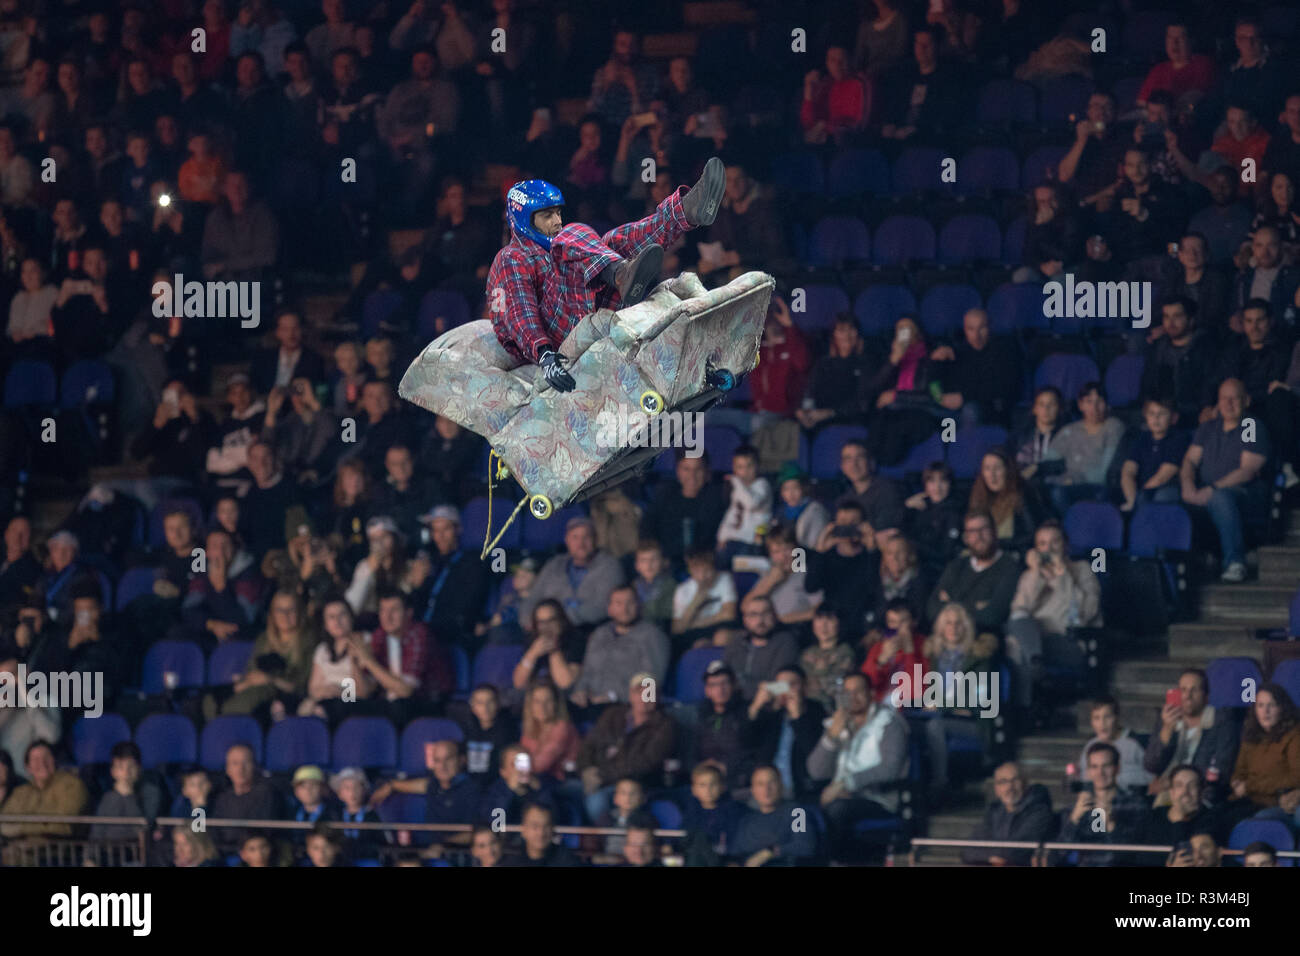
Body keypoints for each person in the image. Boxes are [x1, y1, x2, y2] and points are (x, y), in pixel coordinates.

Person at [486, 160, 725, 379]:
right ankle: (622, 274)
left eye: (558, 213)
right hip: (554, 340)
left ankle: (685, 211)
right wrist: (544, 355)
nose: (557, 221)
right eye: (547, 216)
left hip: (587, 312)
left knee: (612, 242)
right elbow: (518, 314)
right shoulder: (511, 258)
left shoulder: (555, 249)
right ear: (524, 220)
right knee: (571, 234)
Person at [807, 673, 908, 862]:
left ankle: (834, 863)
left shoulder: (889, 722)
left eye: (858, 691)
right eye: (847, 693)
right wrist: (831, 737)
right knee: (800, 812)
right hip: (838, 797)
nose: (852, 697)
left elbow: (891, 768)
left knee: (837, 810)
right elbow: (816, 771)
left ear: (871, 693)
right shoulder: (837, 724)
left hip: (878, 799)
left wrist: (846, 784)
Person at [1180, 378, 1270, 582]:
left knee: (1220, 498)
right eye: (1224, 399)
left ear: (1246, 401)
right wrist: (1187, 487)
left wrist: (1212, 489)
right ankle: (1182, 565)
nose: (1228, 404)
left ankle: (1235, 562)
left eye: (1234, 398)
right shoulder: (1208, 428)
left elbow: (1248, 470)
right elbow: (1190, 461)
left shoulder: (1249, 425)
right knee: (1167, 496)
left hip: (1244, 494)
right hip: (1207, 491)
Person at [577, 672, 675, 821]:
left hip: (635, 783)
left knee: (596, 803)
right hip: (596, 777)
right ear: (631, 695)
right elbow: (588, 745)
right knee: (562, 790)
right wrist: (586, 770)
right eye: (639, 692)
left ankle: (609, 842)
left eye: (649, 693)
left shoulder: (665, 725)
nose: (644, 697)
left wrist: (602, 776)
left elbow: (645, 763)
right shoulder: (612, 715)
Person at [570, 586, 669, 708]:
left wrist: (613, 697)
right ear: (609, 608)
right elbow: (587, 671)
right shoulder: (599, 634)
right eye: (618, 603)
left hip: (626, 707)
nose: (624, 609)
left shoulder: (652, 636)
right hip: (590, 703)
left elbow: (652, 681)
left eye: (630, 603)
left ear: (639, 605)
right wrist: (580, 691)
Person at [1052, 742, 1147, 867]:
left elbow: (1133, 856)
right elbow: (1057, 856)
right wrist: (1074, 818)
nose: (1100, 773)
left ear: (1117, 768)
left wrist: (1111, 823)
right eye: (1094, 767)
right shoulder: (1077, 807)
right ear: (1088, 772)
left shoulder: (1136, 805)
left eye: (1106, 766)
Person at [925, 511, 1020, 634]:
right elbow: (932, 610)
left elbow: (992, 616)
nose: (978, 536)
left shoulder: (1009, 567)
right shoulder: (957, 565)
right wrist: (975, 605)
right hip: (948, 641)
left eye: (983, 529)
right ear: (966, 538)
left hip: (985, 641)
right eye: (972, 532)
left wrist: (952, 604)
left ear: (994, 532)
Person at [521, 517, 625, 630]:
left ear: (596, 540)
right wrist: (529, 619)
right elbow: (533, 598)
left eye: (586, 537)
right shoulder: (555, 564)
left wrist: (561, 621)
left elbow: (604, 606)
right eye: (575, 537)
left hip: (590, 631)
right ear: (567, 540)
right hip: (547, 629)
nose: (581, 543)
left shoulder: (609, 565)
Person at [1042, 382, 1126, 516]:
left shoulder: (1113, 427)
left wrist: (1072, 480)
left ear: (1106, 404)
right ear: (1081, 405)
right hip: (1067, 483)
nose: (1094, 407)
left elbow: (1105, 472)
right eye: (1089, 402)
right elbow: (1047, 464)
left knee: (1059, 493)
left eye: (1100, 401)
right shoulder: (1069, 430)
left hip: (1098, 486)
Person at [747, 664, 827, 803]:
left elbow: (815, 754)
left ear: (804, 687)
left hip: (802, 789)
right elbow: (745, 741)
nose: (786, 690)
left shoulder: (816, 711)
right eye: (781, 685)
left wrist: (797, 717)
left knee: (799, 821)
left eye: (792, 684)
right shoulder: (770, 712)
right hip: (767, 790)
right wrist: (756, 706)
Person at [930, 308, 1022, 427]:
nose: (976, 335)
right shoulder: (958, 351)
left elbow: (1003, 387)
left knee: (970, 411)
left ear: (990, 327)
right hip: (955, 407)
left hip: (991, 408)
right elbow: (933, 380)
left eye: (982, 328)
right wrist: (935, 361)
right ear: (965, 330)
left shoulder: (1006, 349)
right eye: (971, 329)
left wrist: (964, 397)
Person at [641, 451, 727, 568]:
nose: (692, 475)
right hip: (665, 565)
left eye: (698, 469)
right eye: (686, 469)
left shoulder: (718, 499)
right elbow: (647, 530)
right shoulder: (664, 495)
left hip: (706, 566)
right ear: (677, 471)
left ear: (707, 472)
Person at [960, 762, 1054, 866]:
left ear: (1025, 783)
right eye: (1003, 781)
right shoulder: (994, 812)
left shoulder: (1039, 812)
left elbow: (1015, 852)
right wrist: (991, 857)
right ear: (996, 789)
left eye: (1015, 780)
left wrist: (989, 854)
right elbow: (967, 850)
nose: (1010, 787)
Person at [1229, 683, 1300, 816]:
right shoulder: (1250, 735)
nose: (1265, 711)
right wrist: (1236, 782)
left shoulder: (1295, 736)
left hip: (1275, 803)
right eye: (1260, 705)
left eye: (1271, 705)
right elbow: (1239, 772)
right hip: (1245, 800)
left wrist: (1250, 786)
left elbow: (1296, 778)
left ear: (1282, 708)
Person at [730, 765, 819, 866]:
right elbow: (735, 855)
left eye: (771, 782)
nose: (766, 789)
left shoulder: (796, 812)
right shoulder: (746, 820)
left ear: (781, 785)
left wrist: (769, 852)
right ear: (753, 790)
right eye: (760, 784)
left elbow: (805, 845)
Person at [0, 740, 90, 839]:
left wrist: (21, 827)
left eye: (47, 757)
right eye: (35, 759)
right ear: (28, 767)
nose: (42, 763)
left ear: (55, 760)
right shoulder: (22, 792)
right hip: (18, 851)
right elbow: (5, 821)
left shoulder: (72, 786)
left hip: (58, 851)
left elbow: (63, 825)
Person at [721, 595, 799, 701]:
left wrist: (736, 689)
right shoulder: (737, 641)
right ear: (745, 620)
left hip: (766, 703)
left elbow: (780, 686)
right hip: (732, 702)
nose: (760, 620)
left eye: (765, 613)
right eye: (753, 615)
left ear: (774, 616)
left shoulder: (786, 641)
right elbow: (724, 674)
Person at [1120, 396, 1189, 510]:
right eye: (1151, 413)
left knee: (1160, 498)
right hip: (1142, 490)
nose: (1156, 418)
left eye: (1162, 414)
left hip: (1167, 488)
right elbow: (1128, 471)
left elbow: (1163, 476)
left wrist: (1140, 498)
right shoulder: (1142, 438)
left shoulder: (1179, 439)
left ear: (1174, 418)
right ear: (1146, 416)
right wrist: (1132, 499)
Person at [969, 448, 1044, 553]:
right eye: (987, 468)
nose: (992, 475)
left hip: (1013, 553)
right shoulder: (978, 497)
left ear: (1008, 470)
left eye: (997, 468)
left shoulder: (1023, 494)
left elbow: (1033, 535)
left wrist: (996, 544)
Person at [90, 741, 164, 840]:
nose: (126, 772)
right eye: (120, 767)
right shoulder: (107, 794)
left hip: (137, 849)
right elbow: (97, 830)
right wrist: (90, 854)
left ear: (139, 768)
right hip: (108, 850)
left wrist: (128, 795)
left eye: (131, 766)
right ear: (113, 771)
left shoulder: (151, 792)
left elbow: (142, 829)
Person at [1080, 697, 1154, 794]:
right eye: (1097, 718)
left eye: (1107, 717)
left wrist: (1119, 779)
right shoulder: (1090, 746)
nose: (1102, 724)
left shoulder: (1134, 743)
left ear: (1117, 718)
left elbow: (1151, 777)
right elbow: (1084, 777)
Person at [716, 446, 772, 561]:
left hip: (753, 542)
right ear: (734, 469)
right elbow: (732, 513)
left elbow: (751, 504)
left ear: (758, 466)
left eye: (749, 466)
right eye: (740, 467)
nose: (745, 471)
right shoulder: (739, 489)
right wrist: (722, 537)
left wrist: (736, 482)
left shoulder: (762, 485)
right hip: (736, 540)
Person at [798, 606, 855, 714]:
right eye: (819, 618)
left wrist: (819, 673)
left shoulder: (845, 653)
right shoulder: (807, 653)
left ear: (839, 623)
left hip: (830, 710)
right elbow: (795, 682)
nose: (823, 625)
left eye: (829, 619)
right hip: (803, 708)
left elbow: (836, 687)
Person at [520, 681, 579, 780]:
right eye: (537, 701)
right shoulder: (531, 726)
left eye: (548, 701)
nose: (542, 707)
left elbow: (540, 765)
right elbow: (521, 755)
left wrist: (517, 771)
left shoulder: (562, 728)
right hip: (536, 778)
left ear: (556, 704)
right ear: (530, 705)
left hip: (562, 782)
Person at [499, 802, 578, 866]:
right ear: (524, 830)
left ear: (553, 829)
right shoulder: (511, 863)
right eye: (535, 826)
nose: (541, 833)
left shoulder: (567, 861)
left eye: (546, 826)